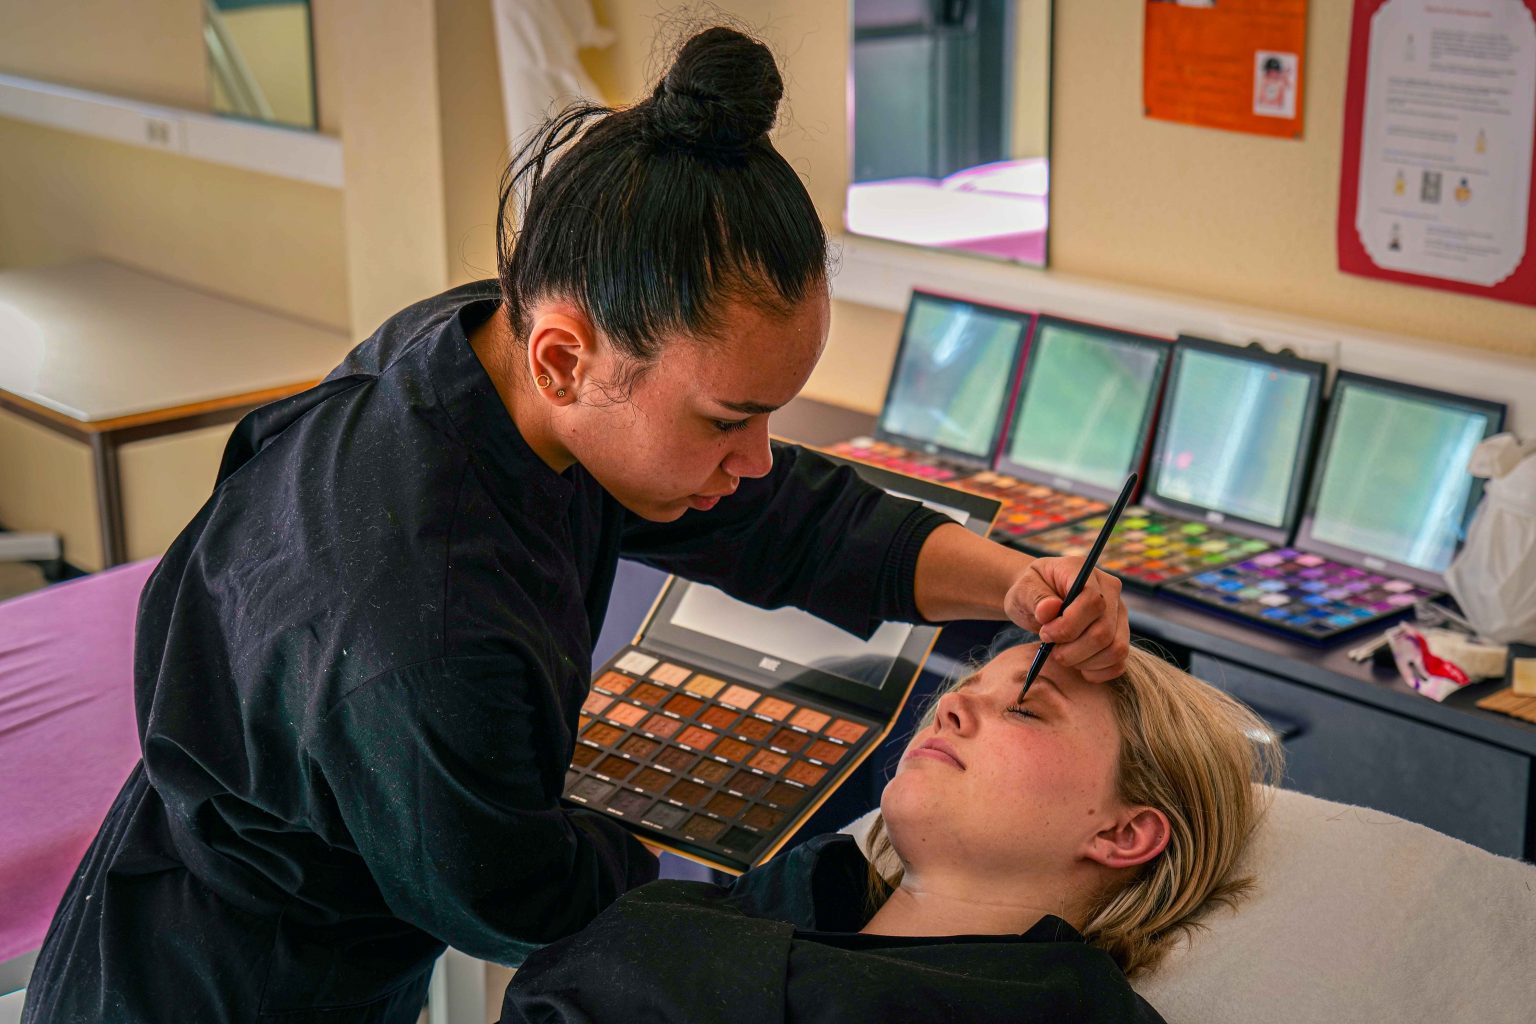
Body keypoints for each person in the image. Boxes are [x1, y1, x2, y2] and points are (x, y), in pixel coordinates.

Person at [22, 26, 1129, 1024]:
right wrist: (731, 889)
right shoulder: (426, 623)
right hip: (217, 989)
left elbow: (778, 511)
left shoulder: (501, 368)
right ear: (566, 356)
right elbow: (524, 900)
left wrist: (1014, 584)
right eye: (728, 420)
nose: (752, 458)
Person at [501, 632, 1282, 1023]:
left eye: (1024, 706)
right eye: (967, 685)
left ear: (1122, 834)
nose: (950, 703)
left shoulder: (1059, 1010)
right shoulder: (790, 895)